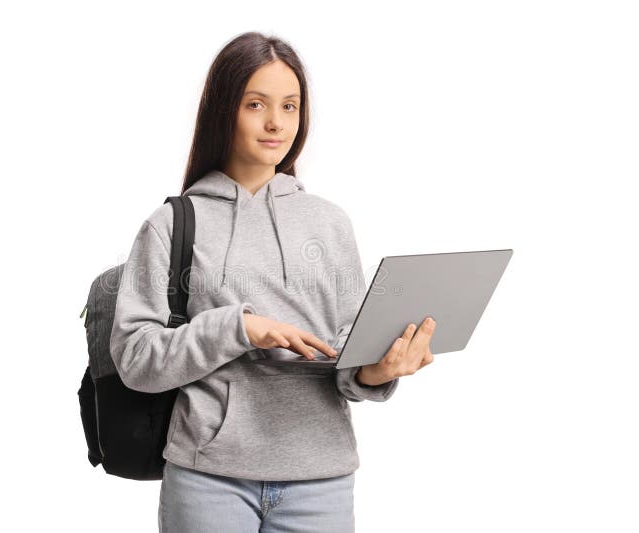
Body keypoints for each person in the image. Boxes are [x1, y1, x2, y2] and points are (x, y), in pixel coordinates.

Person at [110, 31, 436, 533]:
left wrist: (376, 371)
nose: (275, 123)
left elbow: (347, 346)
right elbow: (135, 358)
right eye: (256, 104)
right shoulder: (173, 224)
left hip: (320, 479)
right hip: (209, 479)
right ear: (224, 110)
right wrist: (239, 329)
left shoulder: (331, 224)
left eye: (290, 106)